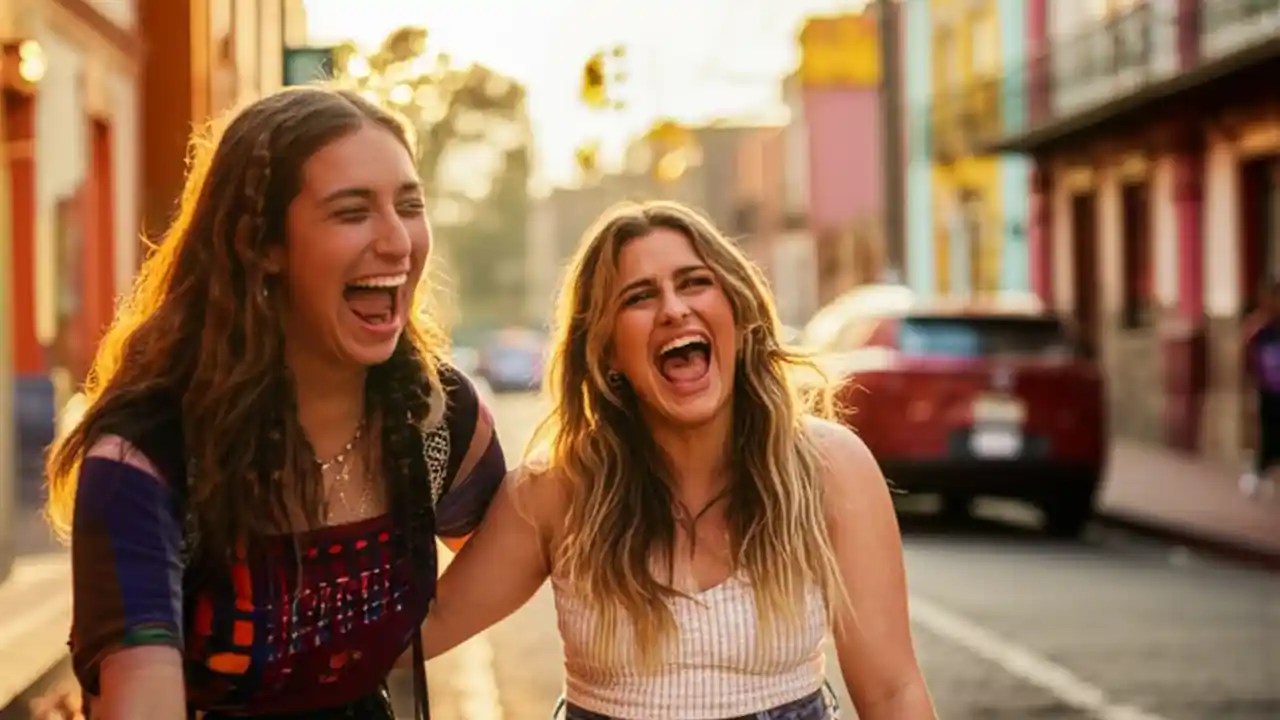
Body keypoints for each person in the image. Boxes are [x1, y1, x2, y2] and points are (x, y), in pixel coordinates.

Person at [43, 86, 506, 719]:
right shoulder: (147, 457)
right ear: (261, 245)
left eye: (408, 205)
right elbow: (141, 698)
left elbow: (541, 527)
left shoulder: (433, 414)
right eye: (352, 212)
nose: (398, 241)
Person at [423, 201, 936, 719]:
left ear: (738, 313)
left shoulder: (829, 466)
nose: (673, 309)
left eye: (694, 283)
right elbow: (422, 628)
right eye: (640, 297)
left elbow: (892, 693)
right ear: (606, 352)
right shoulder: (557, 488)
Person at [1241, 280, 1280, 498]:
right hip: (1268, 389)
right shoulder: (1260, 328)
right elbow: (1248, 356)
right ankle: (1258, 474)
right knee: (1267, 434)